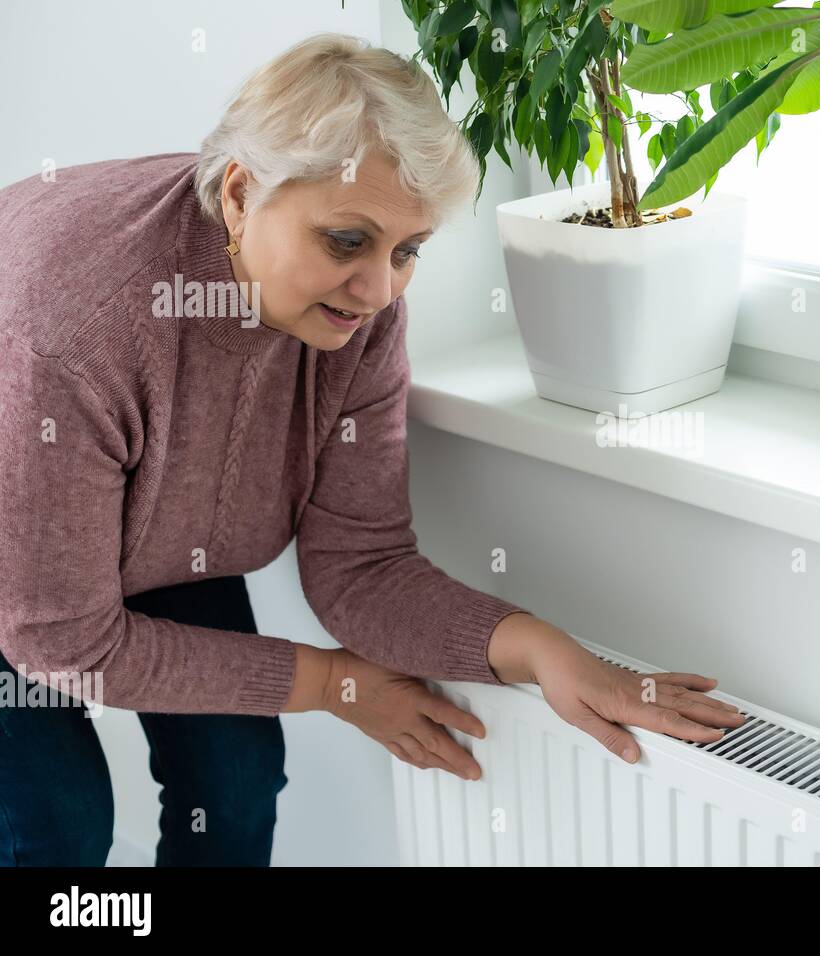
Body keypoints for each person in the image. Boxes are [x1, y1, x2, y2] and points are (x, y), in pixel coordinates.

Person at [0, 33, 744, 867]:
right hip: (16, 532)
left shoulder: (360, 315)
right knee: (57, 823)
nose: (381, 290)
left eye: (409, 251)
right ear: (240, 197)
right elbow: (63, 642)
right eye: (347, 242)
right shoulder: (69, 335)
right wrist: (332, 684)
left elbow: (361, 563)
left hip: (146, 531)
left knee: (237, 781)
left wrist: (542, 650)